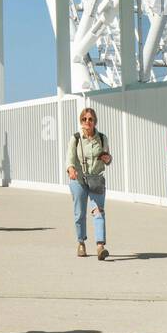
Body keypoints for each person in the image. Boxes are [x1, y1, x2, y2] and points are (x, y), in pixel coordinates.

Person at [67, 107, 112, 259]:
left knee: (99, 211)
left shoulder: (102, 138)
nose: (87, 122)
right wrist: (71, 169)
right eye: (84, 119)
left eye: (90, 119)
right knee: (80, 213)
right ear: (81, 121)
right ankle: (81, 242)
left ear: (95, 122)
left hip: (96, 179)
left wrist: (107, 159)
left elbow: (107, 158)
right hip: (79, 180)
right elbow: (69, 159)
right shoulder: (76, 138)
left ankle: (100, 246)